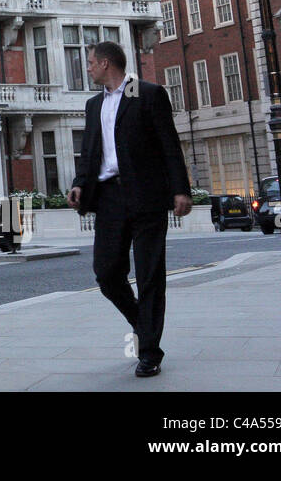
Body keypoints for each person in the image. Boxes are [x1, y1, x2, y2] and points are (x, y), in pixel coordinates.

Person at [68, 41, 191, 378]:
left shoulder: (146, 93)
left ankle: (150, 351)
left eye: (91, 62)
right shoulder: (93, 105)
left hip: (147, 195)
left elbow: (169, 144)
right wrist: (80, 183)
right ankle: (142, 323)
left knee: (150, 273)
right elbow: (90, 152)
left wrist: (181, 189)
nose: (89, 68)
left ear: (106, 63)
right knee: (106, 273)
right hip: (109, 197)